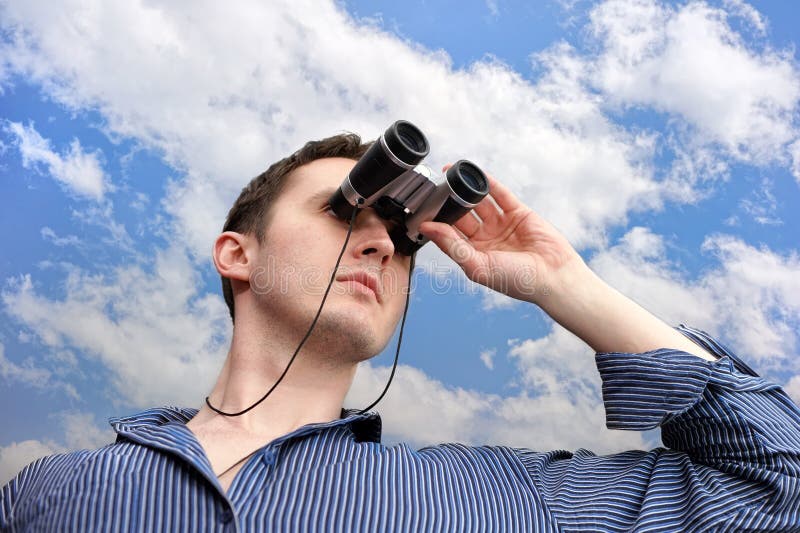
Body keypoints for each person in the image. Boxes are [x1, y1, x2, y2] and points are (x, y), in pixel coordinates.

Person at [2, 132, 799, 532]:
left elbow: (776, 488)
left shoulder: (495, 496)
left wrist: (566, 283)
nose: (384, 241)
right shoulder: (52, 492)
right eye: (344, 209)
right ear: (235, 255)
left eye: (407, 236)